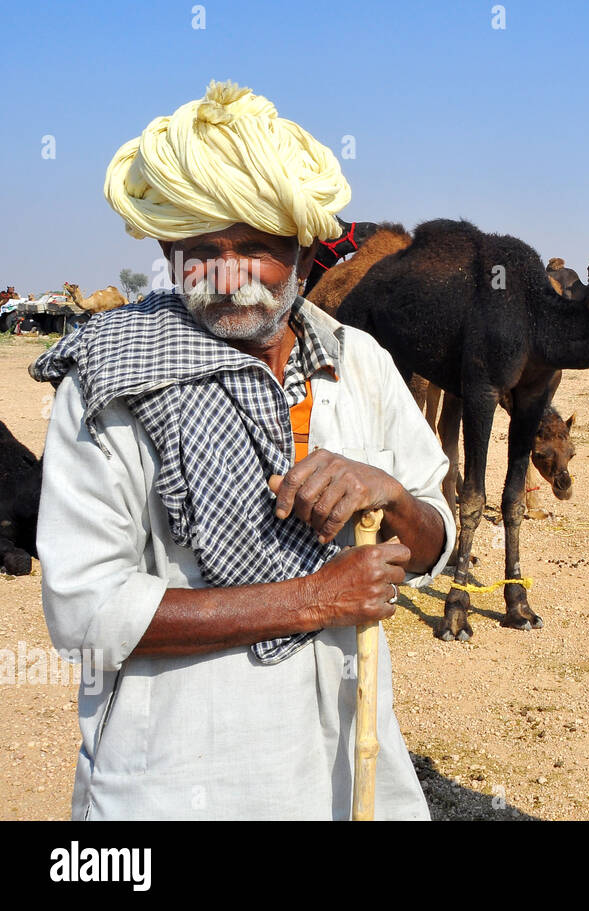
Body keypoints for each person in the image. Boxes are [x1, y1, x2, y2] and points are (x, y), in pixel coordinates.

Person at [31, 81, 455, 820]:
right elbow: (86, 613)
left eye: (255, 248)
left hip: (349, 775)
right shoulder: (108, 384)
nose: (228, 276)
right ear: (168, 250)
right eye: (202, 252)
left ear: (303, 247)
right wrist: (311, 598)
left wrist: (389, 492)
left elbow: (434, 542)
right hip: (174, 784)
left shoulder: (356, 363)